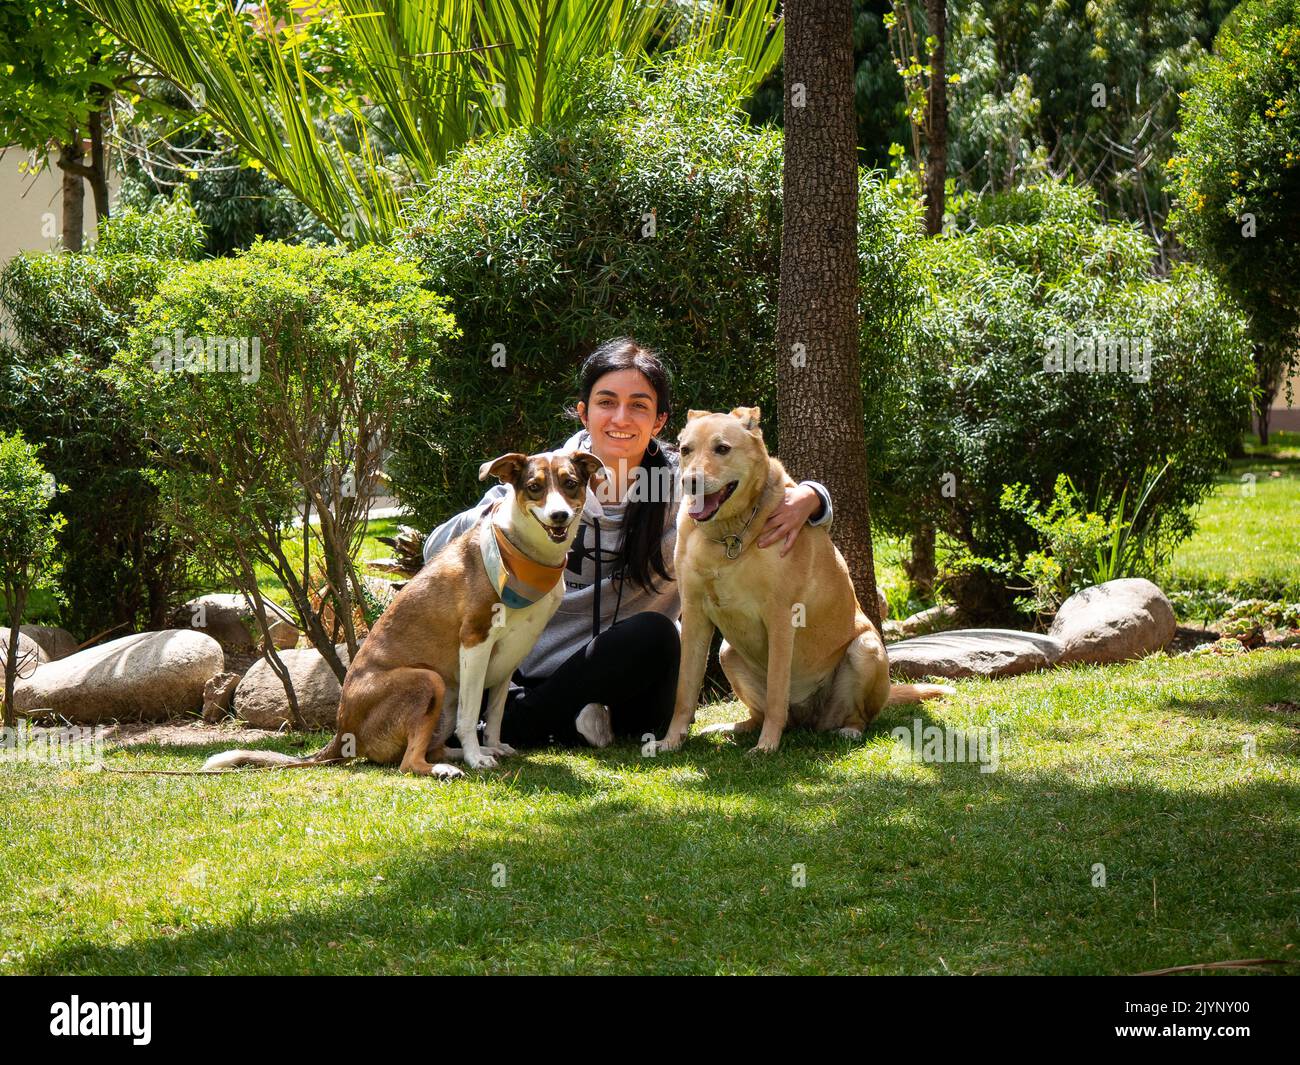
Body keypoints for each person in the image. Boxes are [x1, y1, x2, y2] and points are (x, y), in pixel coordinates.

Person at [422, 337, 835, 749]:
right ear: (584, 413)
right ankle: (562, 721)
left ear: (659, 421)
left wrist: (814, 497)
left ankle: (527, 725)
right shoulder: (545, 477)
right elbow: (435, 550)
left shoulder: (687, 482)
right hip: (531, 667)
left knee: (656, 634)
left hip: (630, 675)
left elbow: (758, 481)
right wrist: (497, 520)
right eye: (606, 402)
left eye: (639, 405)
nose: (621, 417)